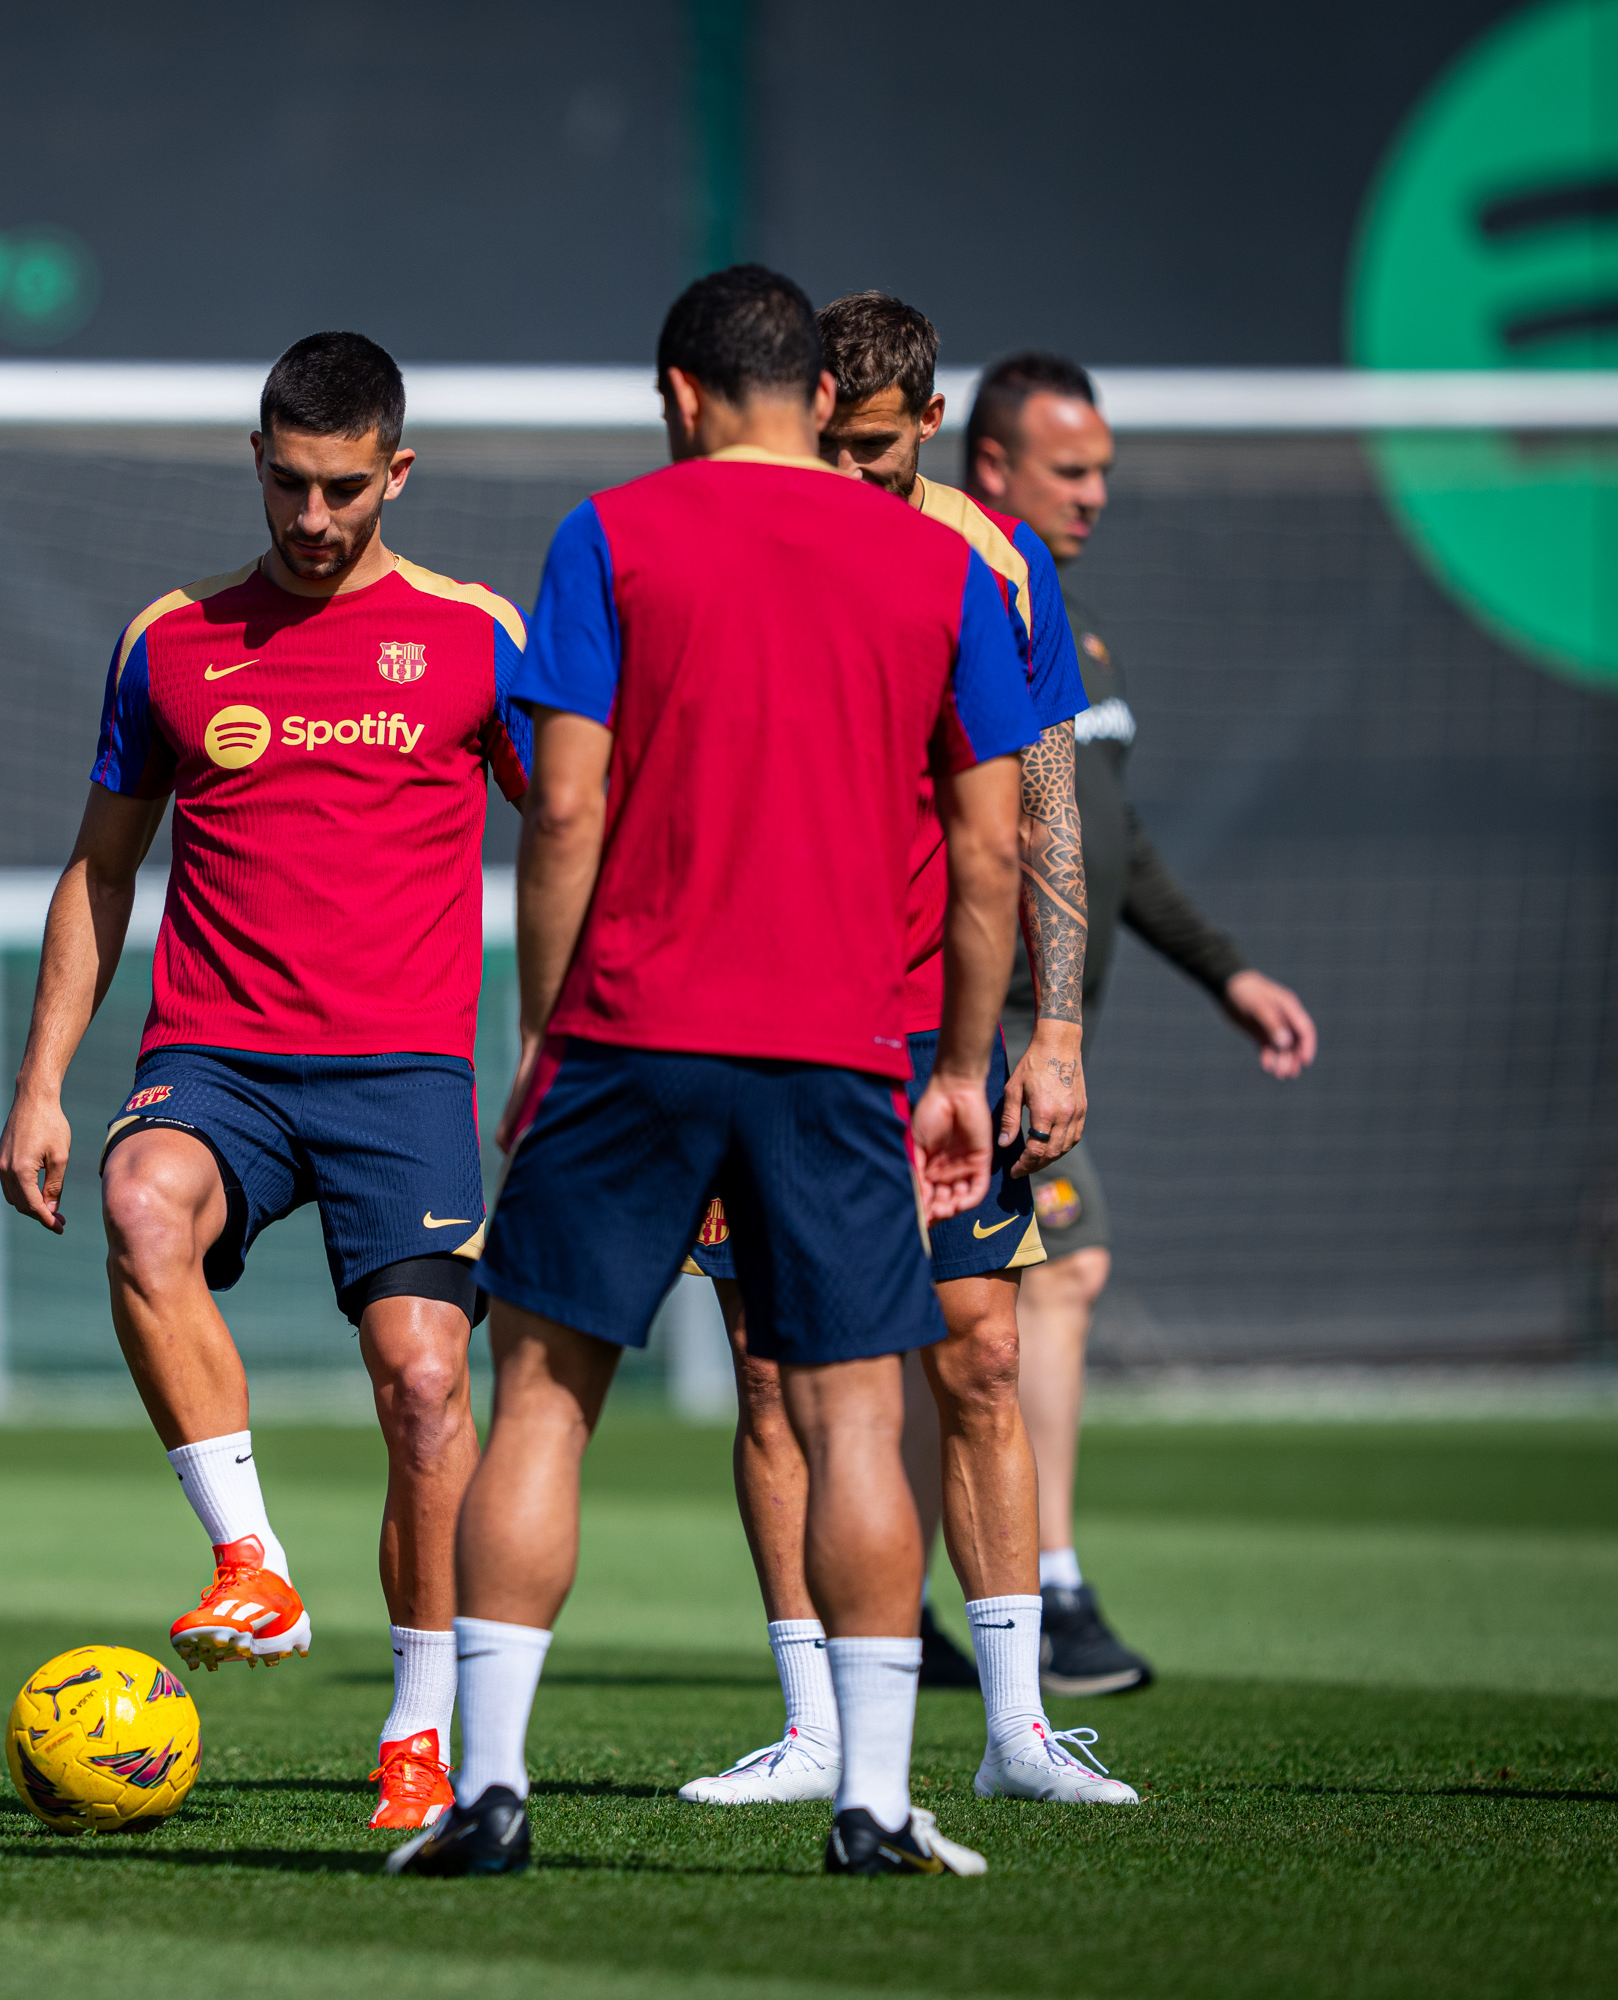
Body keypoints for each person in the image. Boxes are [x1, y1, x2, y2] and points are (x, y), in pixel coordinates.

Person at [391, 265, 1040, 1881]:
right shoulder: (937, 557)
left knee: (543, 1400)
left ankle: (489, 1792)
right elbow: (990, 847)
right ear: (824, 398)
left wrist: (543, 1032)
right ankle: (876, 1806)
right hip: (840, 1045)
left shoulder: (611, 536)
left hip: (631, 1025)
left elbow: (561, 809)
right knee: (852, 1422)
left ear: (680, 393)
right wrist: (963, 1062)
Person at [0, 332, 530, 1833]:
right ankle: (252, 1562)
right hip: (218, 1056)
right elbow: (101, 871)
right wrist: (41, 1083)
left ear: (397, 475)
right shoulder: (169, 640)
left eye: (344, 488)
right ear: (256, 464)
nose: (312, 517)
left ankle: (420, 1731)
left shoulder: (481, 637)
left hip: (406, 1072)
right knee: (138, 1198)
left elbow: (585, 840)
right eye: (289, 483)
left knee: (427, 1384)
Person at [673, 295, 1133, 1808]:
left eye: (874, 446)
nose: (849, 468)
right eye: (828, 439)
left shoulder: (991, 564)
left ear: (930, 428)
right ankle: (813, 1735)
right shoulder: (745, 531)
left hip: (935, 1036)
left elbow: (1045, 803)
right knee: (770, 1374)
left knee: (981, 1353)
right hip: (759, 1021)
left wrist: (1052, 1035)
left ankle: (1015, 1733)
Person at [965, 353, 1320, 1696]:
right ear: (990, 465)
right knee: (1043, 1281)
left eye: (1106, 468)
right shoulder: (962, 600)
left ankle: (984, 1592)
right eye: (1072, 469)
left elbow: (1115, 833)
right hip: (968, 1035)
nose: (1098, 493)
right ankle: (1039, 1589)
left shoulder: (1073, 626)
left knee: (1017, 1295)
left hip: (1049, 1034)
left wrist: (1226, 972)